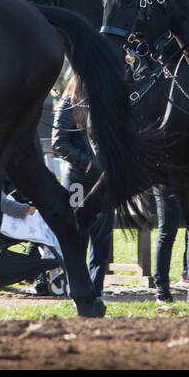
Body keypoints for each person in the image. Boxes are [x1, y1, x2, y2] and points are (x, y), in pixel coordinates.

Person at [51, 75, 113, 298]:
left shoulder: (106, 102)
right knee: (78, 236)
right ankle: (77, 287)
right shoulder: (69, 103)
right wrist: (89, 164)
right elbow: (59, 142)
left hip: (104, 181)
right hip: (78, 180)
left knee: (102, 239)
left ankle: (96, 289)